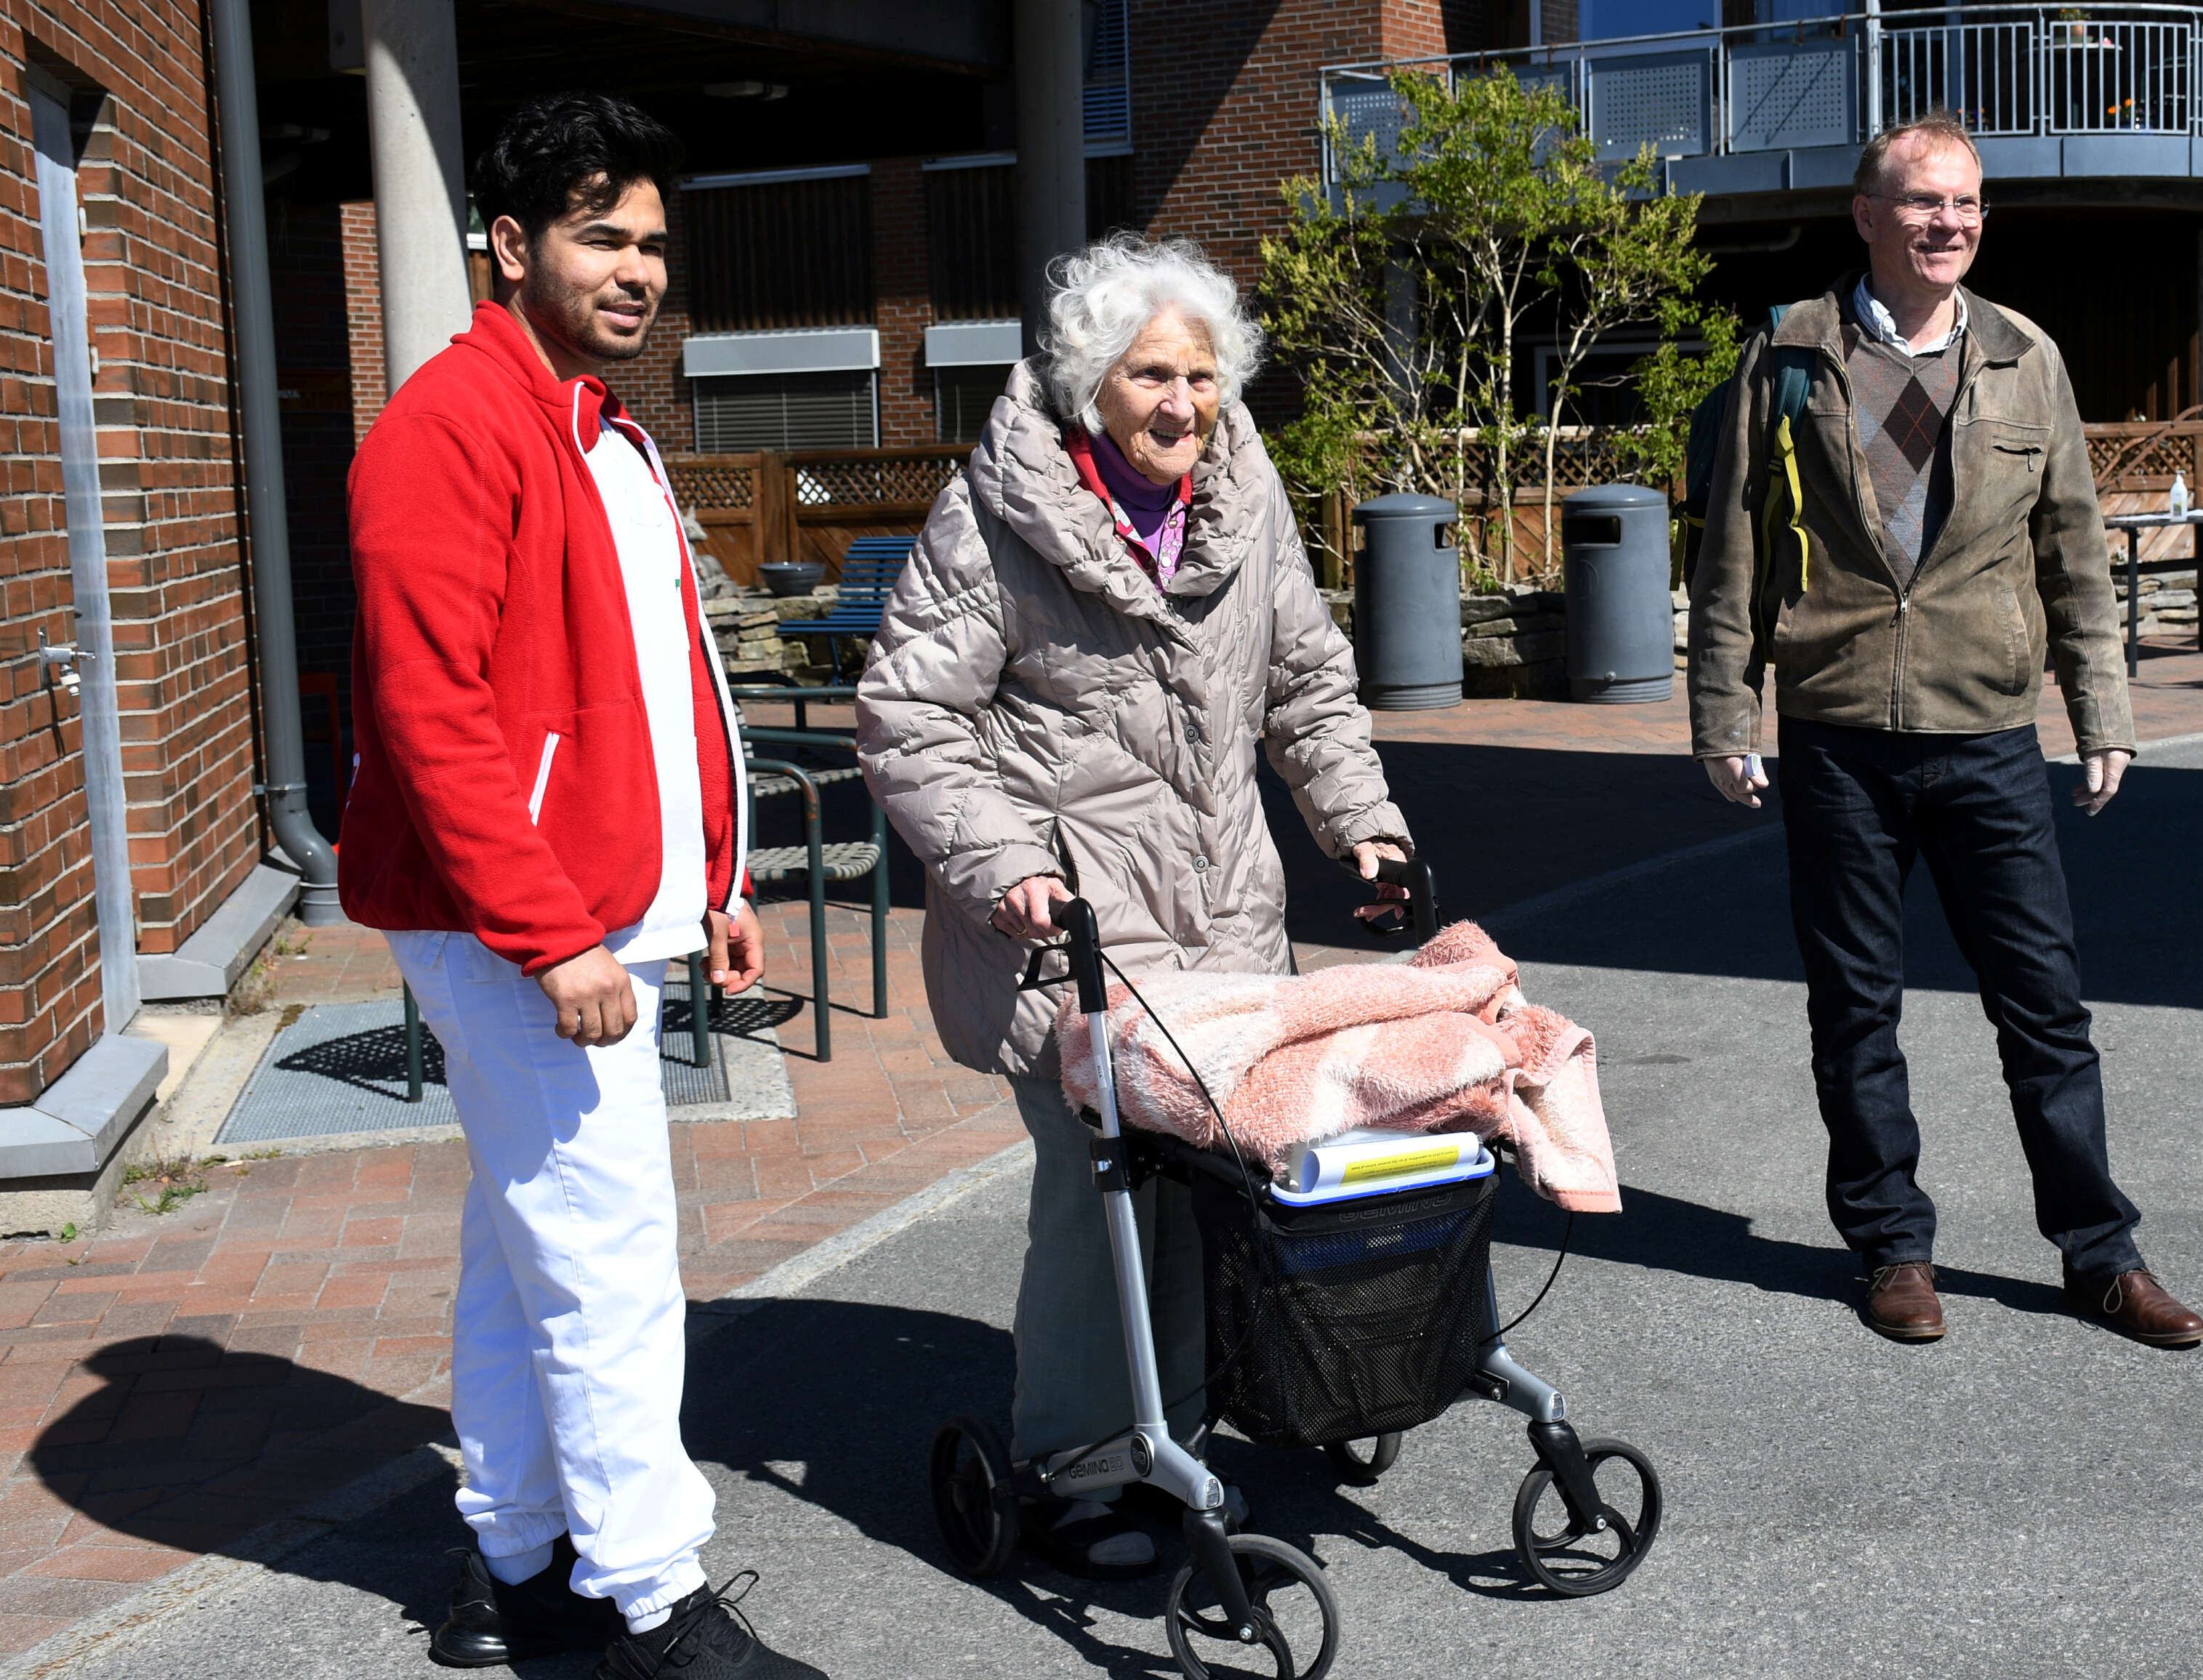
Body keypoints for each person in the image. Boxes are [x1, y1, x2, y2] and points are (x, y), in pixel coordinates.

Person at [343, 92, 826, 1679]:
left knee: (522, 1240)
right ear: (509, 242)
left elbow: (654, 677)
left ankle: (516, 1559)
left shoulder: (596, 426)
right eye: (600, 237)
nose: (637, 271)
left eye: (652, 246)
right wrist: (553, 932)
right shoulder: (448, 429)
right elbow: (433, 716)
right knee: (608, 1252)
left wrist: (708, 874)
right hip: (515, 917)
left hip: (603, 897)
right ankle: (652, 1599)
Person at [855, 235, 1413, 1575]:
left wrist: (1365, 824)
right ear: (1092, 381)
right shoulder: (1001, 513)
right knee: (1101, 1193)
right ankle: (1074, 1468)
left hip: (1227, 926)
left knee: (1215, 1188)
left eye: (1205, 377)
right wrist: (1003, 866)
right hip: (1071, 938)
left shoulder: (1243, 496)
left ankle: (1186, 1425)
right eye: (1153, 375)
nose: (1184, 404)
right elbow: (908, 714)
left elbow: (1308, 683)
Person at [1683, 111, 2203, 1351]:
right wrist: (1723, 711)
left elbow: (2075, 553)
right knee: (1855, 1008)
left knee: (2044, 1008)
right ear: (1866, 214)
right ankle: (1892, 1247)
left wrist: (2104, 713)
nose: (1948, 225)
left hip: (1986, 736)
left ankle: (2100, 1254)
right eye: (1922, 203)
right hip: (1838, 731)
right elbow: (1735, 549)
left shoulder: (2029, 358)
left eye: (1966, 206)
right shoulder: (1791, 358)